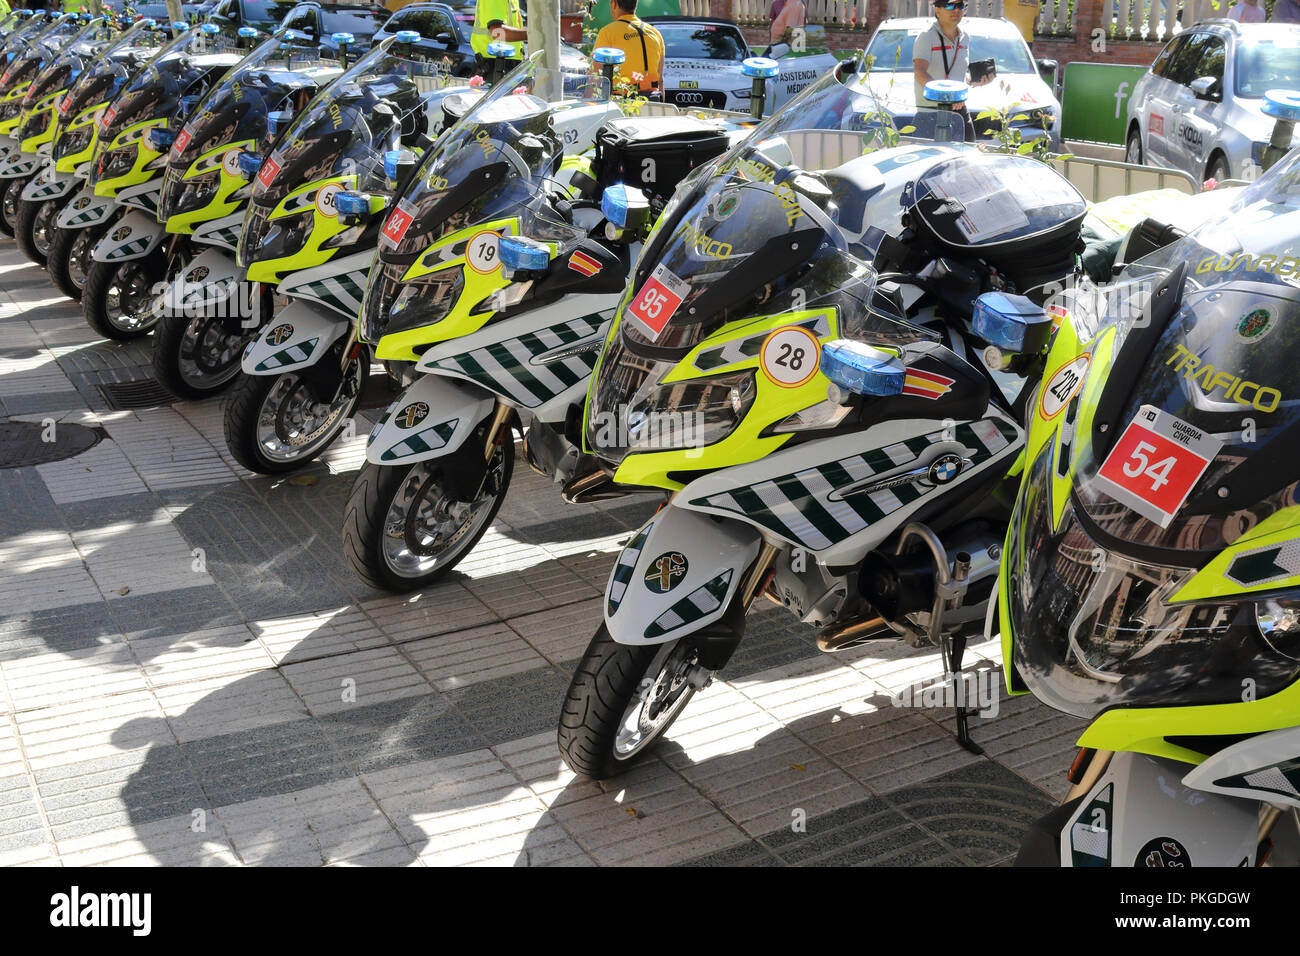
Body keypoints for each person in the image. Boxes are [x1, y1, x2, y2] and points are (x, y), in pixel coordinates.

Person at [912, 0, 991, 104]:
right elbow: (919, 71)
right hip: (931, 109)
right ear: (937, 10)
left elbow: (958, 74)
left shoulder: (964, 37)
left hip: (958, 107)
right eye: (950, 5)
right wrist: (944, 96)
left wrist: (975, 80)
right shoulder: (926, 36)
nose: (956, 10)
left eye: (960, 5)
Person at [591, 0, 665, 96]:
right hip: (652, 99)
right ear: (635, 5)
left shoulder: (607, 32)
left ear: (614, 4)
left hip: (622, 101)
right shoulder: (655, 33)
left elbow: (596, 74)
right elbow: (660, 81)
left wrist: (584, 99)